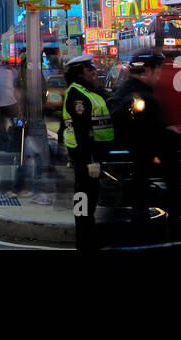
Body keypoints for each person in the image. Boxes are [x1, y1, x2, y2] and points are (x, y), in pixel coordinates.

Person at [108, 53, 167, 225]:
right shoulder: (138, 94)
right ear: (148, 71)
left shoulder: (130, 89)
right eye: (158, 71)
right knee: (137, 200)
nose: (159, 76)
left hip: (132, 158)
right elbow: (143, 127)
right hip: (135, 158)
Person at [62, 54, 113, 251]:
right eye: (89, 68)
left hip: (93, 156)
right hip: (84, 157)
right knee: (83, 197)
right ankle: (83, 240)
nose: (94, 71)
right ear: (79, 72)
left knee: (90, 198)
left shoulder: (90, 90)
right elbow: (81, 130)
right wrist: (89, 160)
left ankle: (87, 236)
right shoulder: (77, 94)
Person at [144, 55, 181, 241]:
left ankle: (174, 222)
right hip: (180, 136)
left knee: (167, 183)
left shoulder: (157, 76)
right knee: (179, 183)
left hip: (164, 138)